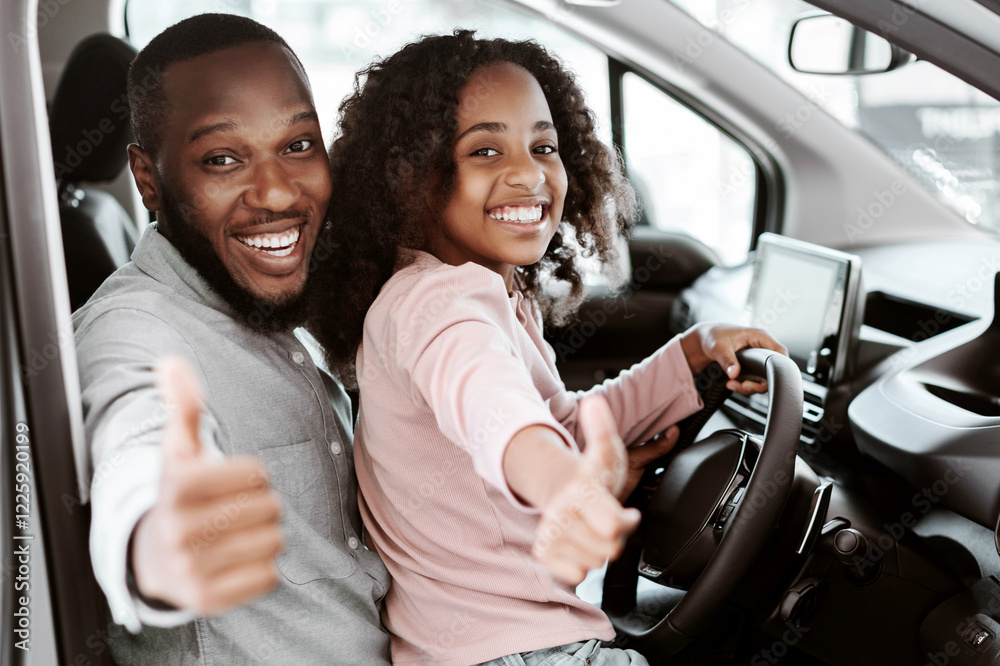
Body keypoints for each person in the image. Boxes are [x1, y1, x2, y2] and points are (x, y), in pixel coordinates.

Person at [307, 31, 786, 666]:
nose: (528, 174)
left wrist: (687, 359)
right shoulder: (439, 308)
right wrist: (563, 483)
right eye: (484, 150)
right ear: (410, 176)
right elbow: (496, 413)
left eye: (544, 147)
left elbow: (554, 419)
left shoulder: (481, 295)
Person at [73, 14, 392, 664]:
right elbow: (135, 432)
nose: (277, 191)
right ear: (147, 178)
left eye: (298, 145)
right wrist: (153, 538)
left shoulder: (251, 294)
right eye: (222, 159)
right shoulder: (137, 328)